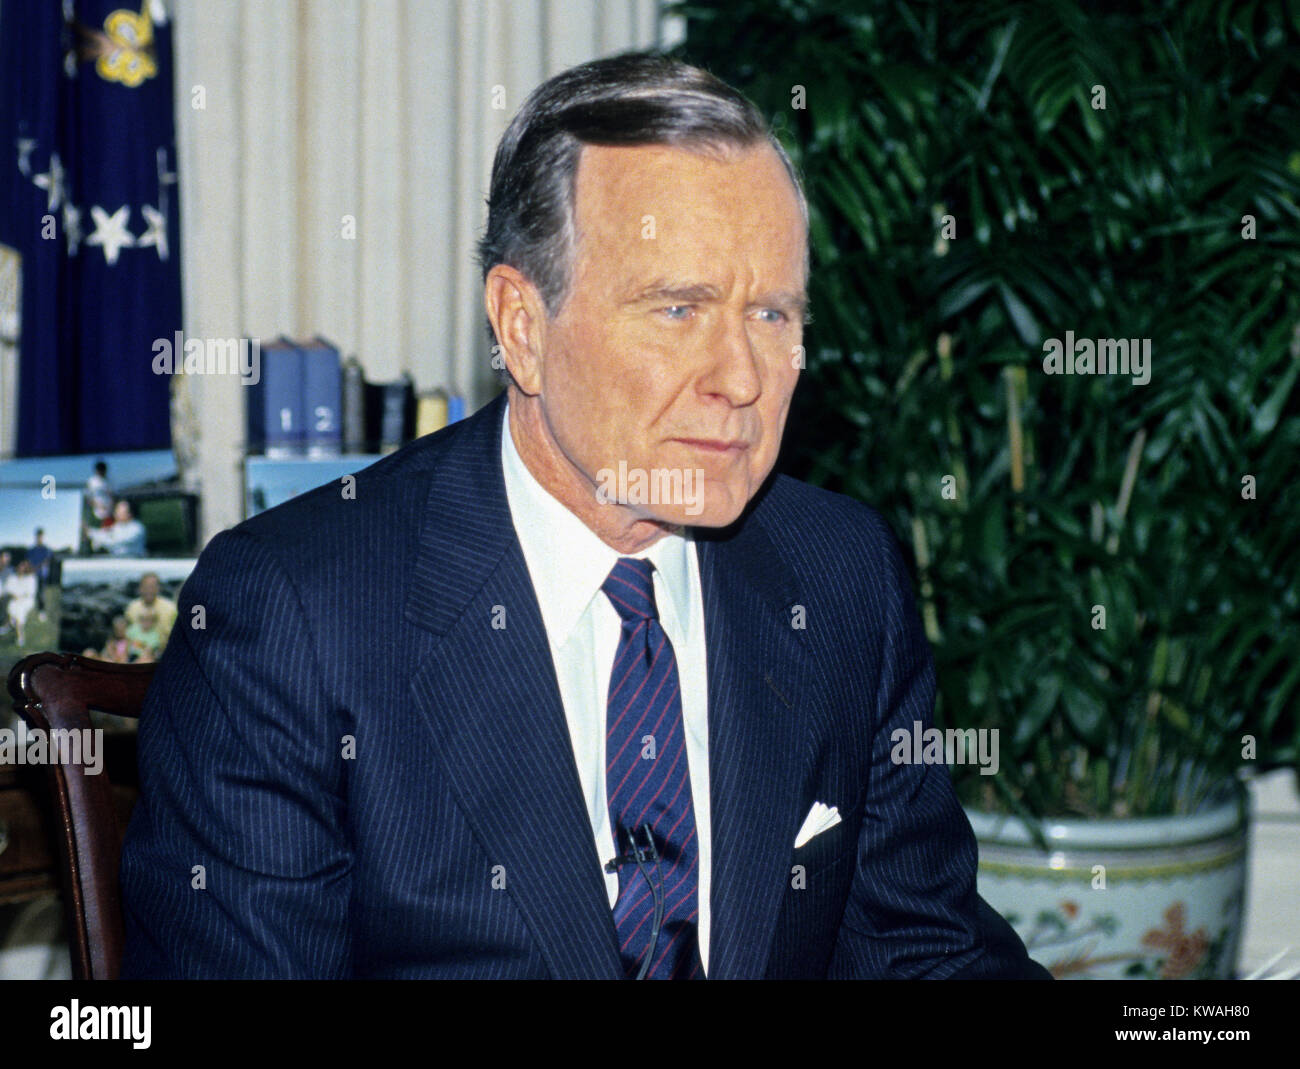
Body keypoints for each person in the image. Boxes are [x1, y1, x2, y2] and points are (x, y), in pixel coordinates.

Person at [120, 53, 1048, 980]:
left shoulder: (840, 573)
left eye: (771, 314)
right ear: (523, 326)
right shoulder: (293, 615)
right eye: (678, 308)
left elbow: (928, 954)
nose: (740, 379)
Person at [123, 572, 178, 647]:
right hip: (137, 651)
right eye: (145, 587)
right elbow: (125, 635)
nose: (149, 590)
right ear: (140, 589)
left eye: (152, 587)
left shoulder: (171, 608)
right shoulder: (132, 607)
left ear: (159, 588)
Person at [3, 560, 38, 647]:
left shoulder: (31, 579)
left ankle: (19, 634)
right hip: (14, 599)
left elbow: (30, 593)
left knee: (19, 609)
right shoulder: (12, 577)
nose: (21, 569)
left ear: (27, 569)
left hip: (27, 600)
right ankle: (16, 629)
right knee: (13, 606)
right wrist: (14, 595)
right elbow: (7, 589)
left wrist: (20, 596)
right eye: (19, 567)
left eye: (23, 567)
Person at [85, 460, 114, 525]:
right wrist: (98, 506)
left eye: (103, 470)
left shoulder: (109, 481)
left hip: (108, 514)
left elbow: (112, 495)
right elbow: (88, 498)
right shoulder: (91, 481)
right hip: (96, 514)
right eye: (100, 470)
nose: (102, 472)